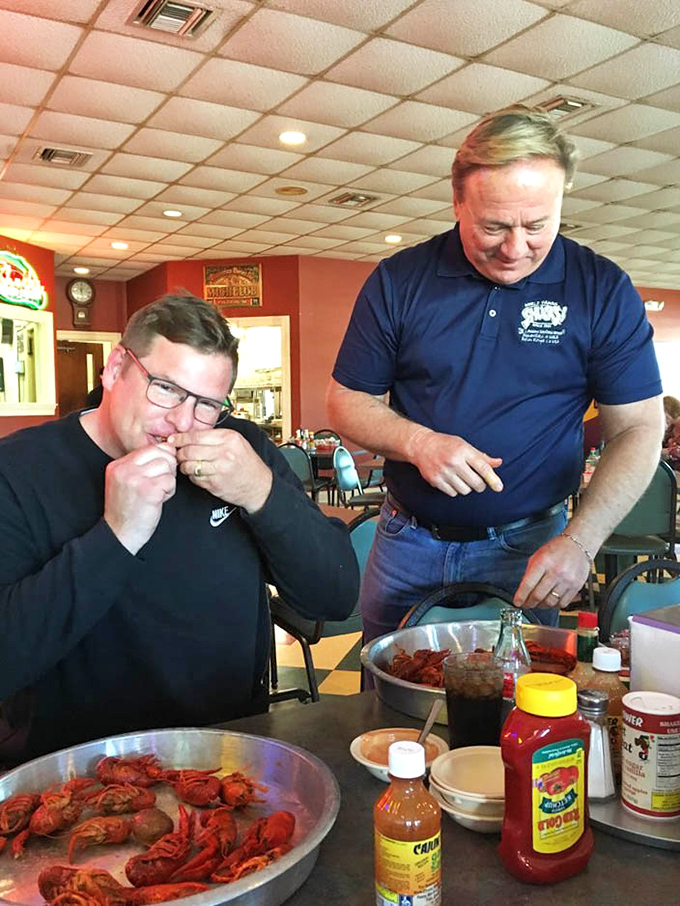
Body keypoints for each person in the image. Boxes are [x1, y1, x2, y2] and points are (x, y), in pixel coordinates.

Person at [327, 105, 664, 645]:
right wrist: (417, 442)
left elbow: (640, 428)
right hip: (406, 539)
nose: (514, 249)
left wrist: (583, 541)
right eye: (493, 226)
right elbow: (346, 401)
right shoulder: (400, 279)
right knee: (391, 712)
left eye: (537, 226)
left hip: (530, 548)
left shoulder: (601, 289)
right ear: (458, 201)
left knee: (519, 709)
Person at [0, 292, 359, 766]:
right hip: (86, 771)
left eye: (207, 403)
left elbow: (334, 597)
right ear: (115, 369)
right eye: (165, 388)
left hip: (232, 752)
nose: (181, 421)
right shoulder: (20, 470)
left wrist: (260, 492)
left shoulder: (242, 447)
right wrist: (117, 535)